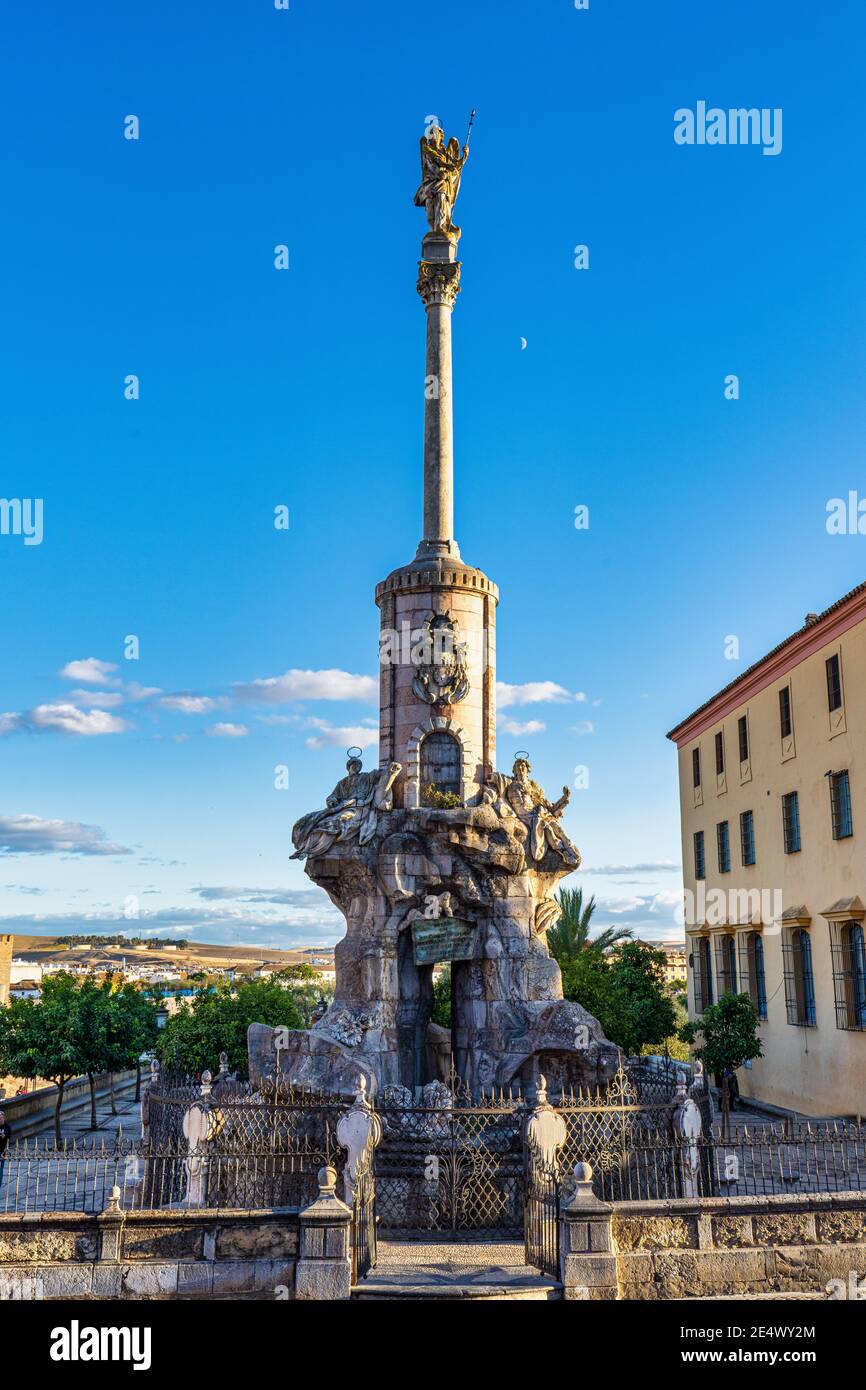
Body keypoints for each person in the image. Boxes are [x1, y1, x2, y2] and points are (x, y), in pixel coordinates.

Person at [0, 1110, 11, 1188]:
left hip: (2, 1151)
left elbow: (5, 1136)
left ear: (4, 1118)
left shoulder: (7, 1127)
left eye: (0, 1118)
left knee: (0, 1170)